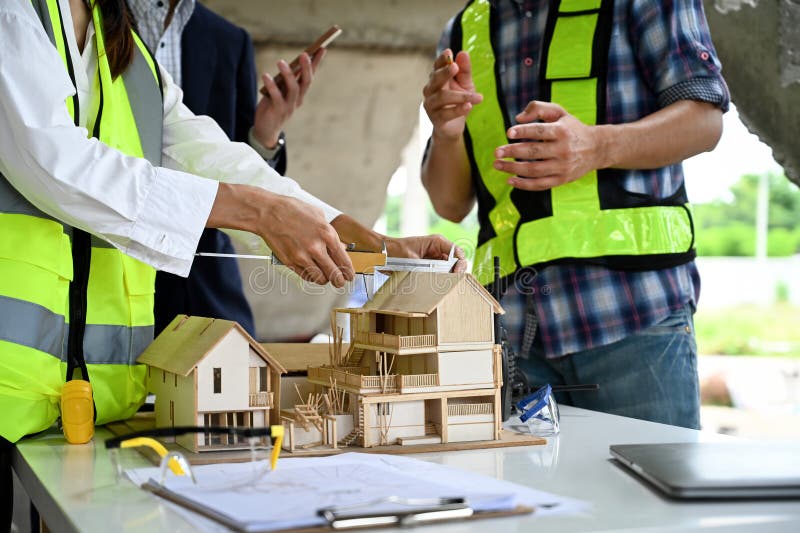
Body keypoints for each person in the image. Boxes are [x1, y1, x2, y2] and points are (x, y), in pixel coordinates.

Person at [0, 0, 463, 529]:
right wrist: (259, 213)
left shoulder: (127, 54)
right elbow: (53, 160)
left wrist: (368, 240)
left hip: (82, 405)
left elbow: (210, 154)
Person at [421, 0, 729, 429]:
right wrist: (447, 133)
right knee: (532, 498)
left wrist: (598, 147)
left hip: (633, 322)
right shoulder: (464, 30)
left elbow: (705, 120)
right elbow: (449, 203)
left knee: (644, 496)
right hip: (512, 339)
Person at [128, 0, 320, 337]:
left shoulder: (229, 40)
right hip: (114, 271)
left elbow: (234, 165)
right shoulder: (96, 19)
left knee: (238, 381)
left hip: (205, 285)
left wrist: (265, 134)